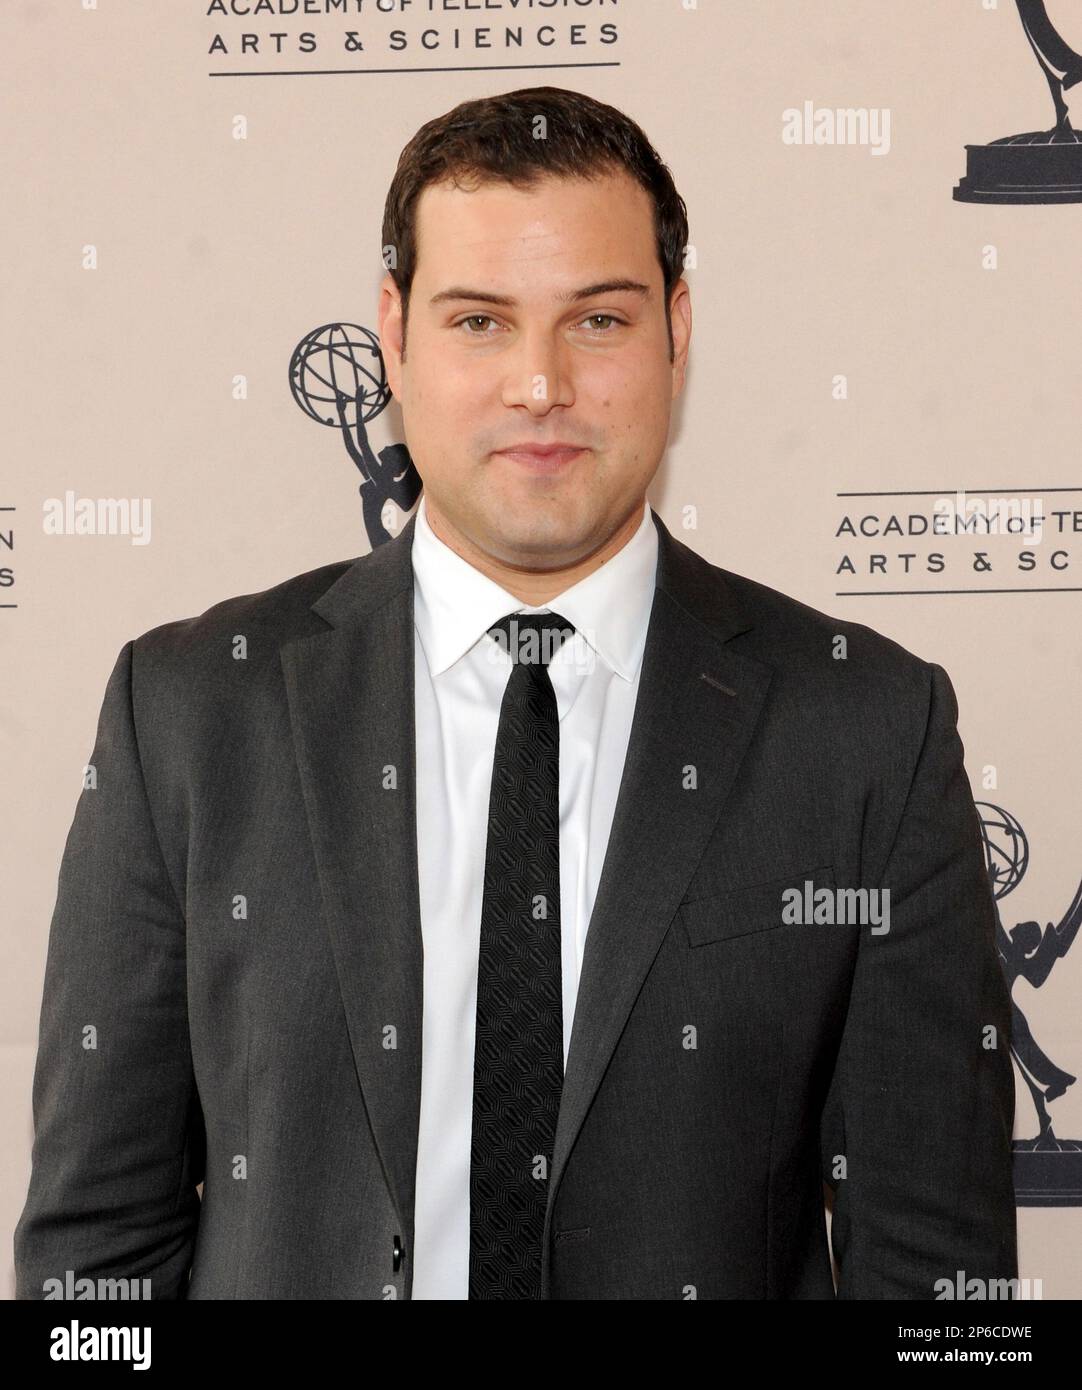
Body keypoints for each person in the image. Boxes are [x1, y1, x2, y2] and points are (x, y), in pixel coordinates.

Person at [14, 85, 1017, 1300]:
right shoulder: (184, 715)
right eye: (479, 321)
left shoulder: (866, 729)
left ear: (674, 329)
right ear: (392, 335)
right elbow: (92, 1270)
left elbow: (937, 1288)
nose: (539, 384)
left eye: (595, 319)